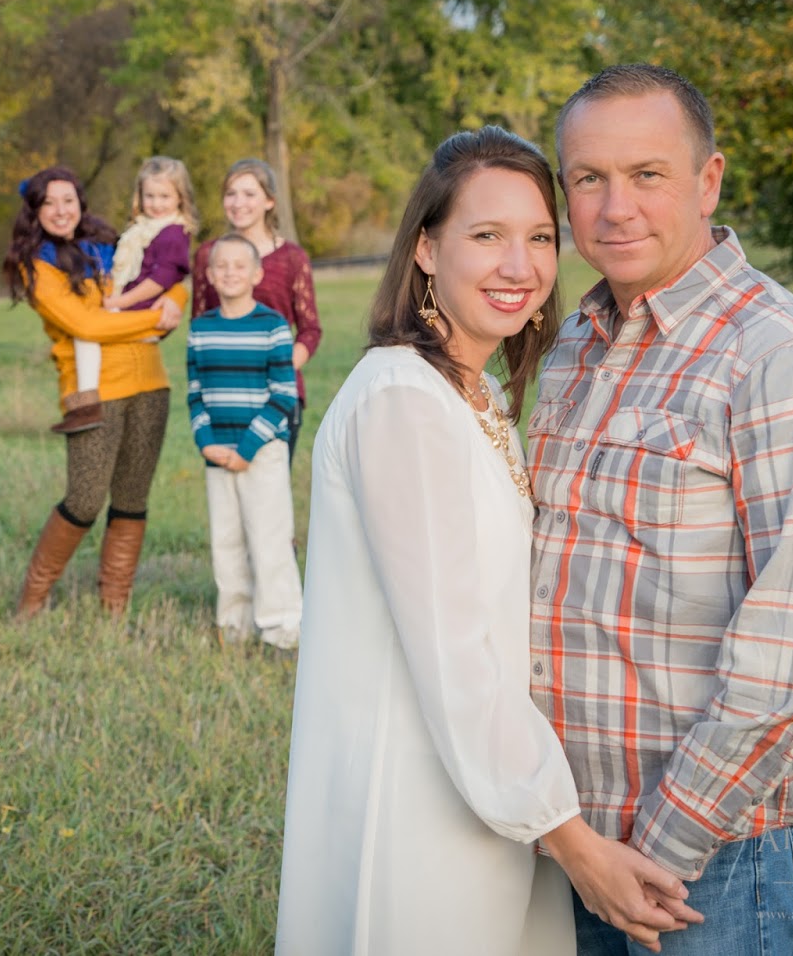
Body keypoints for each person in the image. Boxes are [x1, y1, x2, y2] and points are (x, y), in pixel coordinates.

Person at [277, 127, 698, 955]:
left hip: (496, 789)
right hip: (422, 801)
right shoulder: (403, 400)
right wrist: (573, 842)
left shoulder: (476, 395)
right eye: (487, 235)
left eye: (539, 237)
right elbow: (453, 653)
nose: (520, 266)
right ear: (426, 248)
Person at [529, 63, 793, 954]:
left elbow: (789, 662)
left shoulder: (785, 356)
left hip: (707, 861)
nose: (616, 208)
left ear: (709, 180)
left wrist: (657, 853)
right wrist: (568, 839)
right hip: (563, 837)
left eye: (647, 174)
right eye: (589, 178)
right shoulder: (573, 341)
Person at [3, 166, 186, 619]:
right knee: (84, 499)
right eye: (49, 203)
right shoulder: (38, 264)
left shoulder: (114, 243)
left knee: (132, 498)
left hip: (150, 383)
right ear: (35, 211)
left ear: (81, 203)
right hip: (93, 393)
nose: (60, 210)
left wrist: (175, 303)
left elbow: (170, 278)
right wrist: (154, 318)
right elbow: (88, 325)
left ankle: (114, 607)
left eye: (68, 200)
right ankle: (31, 603)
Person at [186, 233, 302, 651]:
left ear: (256, 274)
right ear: (209, 274)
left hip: (263, 451)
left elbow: (284, 395)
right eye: (221, 266)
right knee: (227, 542)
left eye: (239, 265)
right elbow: (195, 393)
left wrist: (247, 449)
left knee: (269, 539)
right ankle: (234, 625)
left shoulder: (273, 327)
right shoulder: (201, 329)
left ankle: (282, 628)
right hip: (218, 452)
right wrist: (206, 443)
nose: (230, 272)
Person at [56, 155, 198, 434]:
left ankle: (87, 405)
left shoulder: (173, 233)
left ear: (180, 198)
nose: (156, 204)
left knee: (86, 333)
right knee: (87, 333)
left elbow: (160, 280)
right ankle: (93, 401)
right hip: (134, 307)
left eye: (165, 197)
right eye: (150, 196)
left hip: (143, 311)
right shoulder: (142, 230)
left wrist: (120, 302)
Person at [192, 159, 321, 459]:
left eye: (249, 194)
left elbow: (310, 330)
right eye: (231, 194)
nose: (238, 203)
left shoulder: (291, 258)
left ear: (269, 201)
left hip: (276, 395)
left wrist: (280, 371)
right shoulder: (208, 256)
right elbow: (199, 325)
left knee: (269, 483)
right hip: (223, 395)